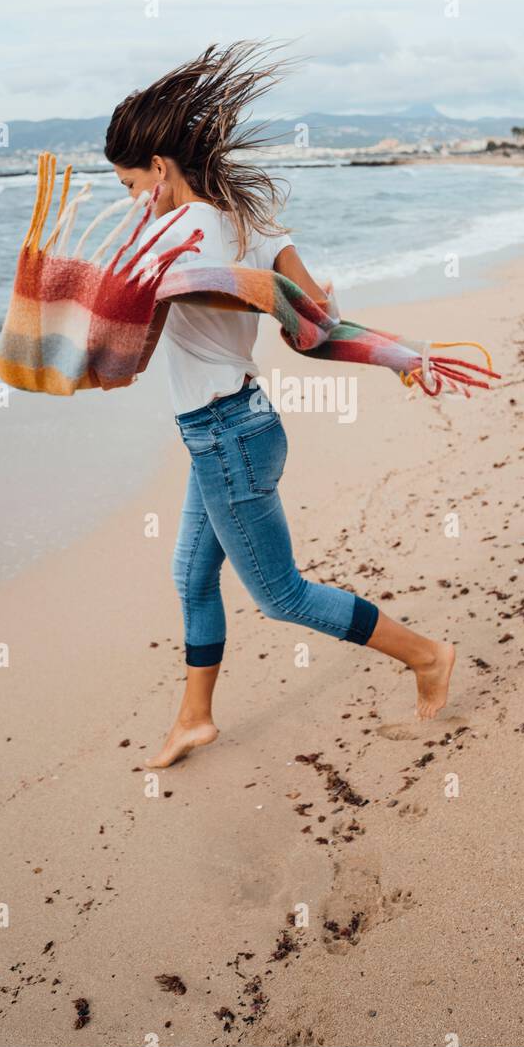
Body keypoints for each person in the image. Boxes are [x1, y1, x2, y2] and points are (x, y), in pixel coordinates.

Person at [104, 42, 454, 767]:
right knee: (192, 576)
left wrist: (249, 293)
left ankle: (425, 655)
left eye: (129, 183)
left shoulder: (174, 232)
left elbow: (149, 332)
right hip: (235, 429)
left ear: (160, 170)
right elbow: (318, 324)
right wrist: (399, 354)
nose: (129, 199)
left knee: (281, 596)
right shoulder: (249, 223)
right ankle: (194, 718)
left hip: (226, 436)